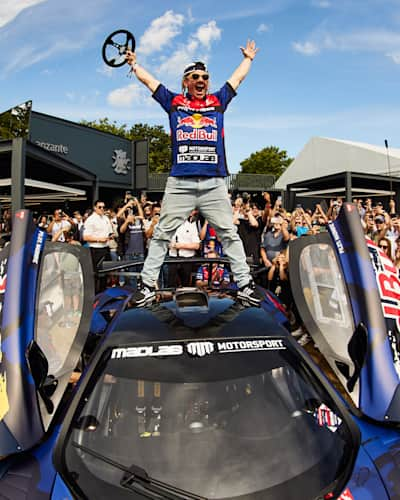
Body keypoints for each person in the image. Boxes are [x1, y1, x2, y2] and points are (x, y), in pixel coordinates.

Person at [125, 40, 262, 307]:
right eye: (195, 77)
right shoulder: (174, 101)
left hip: (213, 183)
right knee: (163, 233)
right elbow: (150, 82)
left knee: (228, 234)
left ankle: (245, 284)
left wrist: (249, 59)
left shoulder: (218, 100)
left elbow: (237, 78)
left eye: (205, 77)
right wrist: (134, 64)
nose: (201, 80)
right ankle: (146, 286)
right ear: (186, 82)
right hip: (180, 182)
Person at [82, 200, 114, 292]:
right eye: (100, 207)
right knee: (97, 275)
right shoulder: (90, 220)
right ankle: (96, 294)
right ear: (95, 208)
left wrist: (110, 236)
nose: (102, 209)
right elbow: (85, 237)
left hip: (106, 248)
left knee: (106, 274)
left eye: (103, 207)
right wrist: (99, 239)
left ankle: (104, 292)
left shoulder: (105, 218)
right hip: (96, 249)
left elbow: (110, 231)